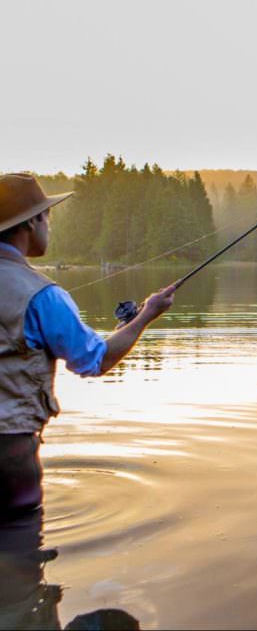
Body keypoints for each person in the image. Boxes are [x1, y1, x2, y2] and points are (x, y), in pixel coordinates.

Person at [0, 172, 176, 514]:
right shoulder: (41, 295)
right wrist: (147, 315)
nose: (49, 226)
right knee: (20, 540)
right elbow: (97, 360)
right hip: (9, 464)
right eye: (47, 217)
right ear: (32, 222)